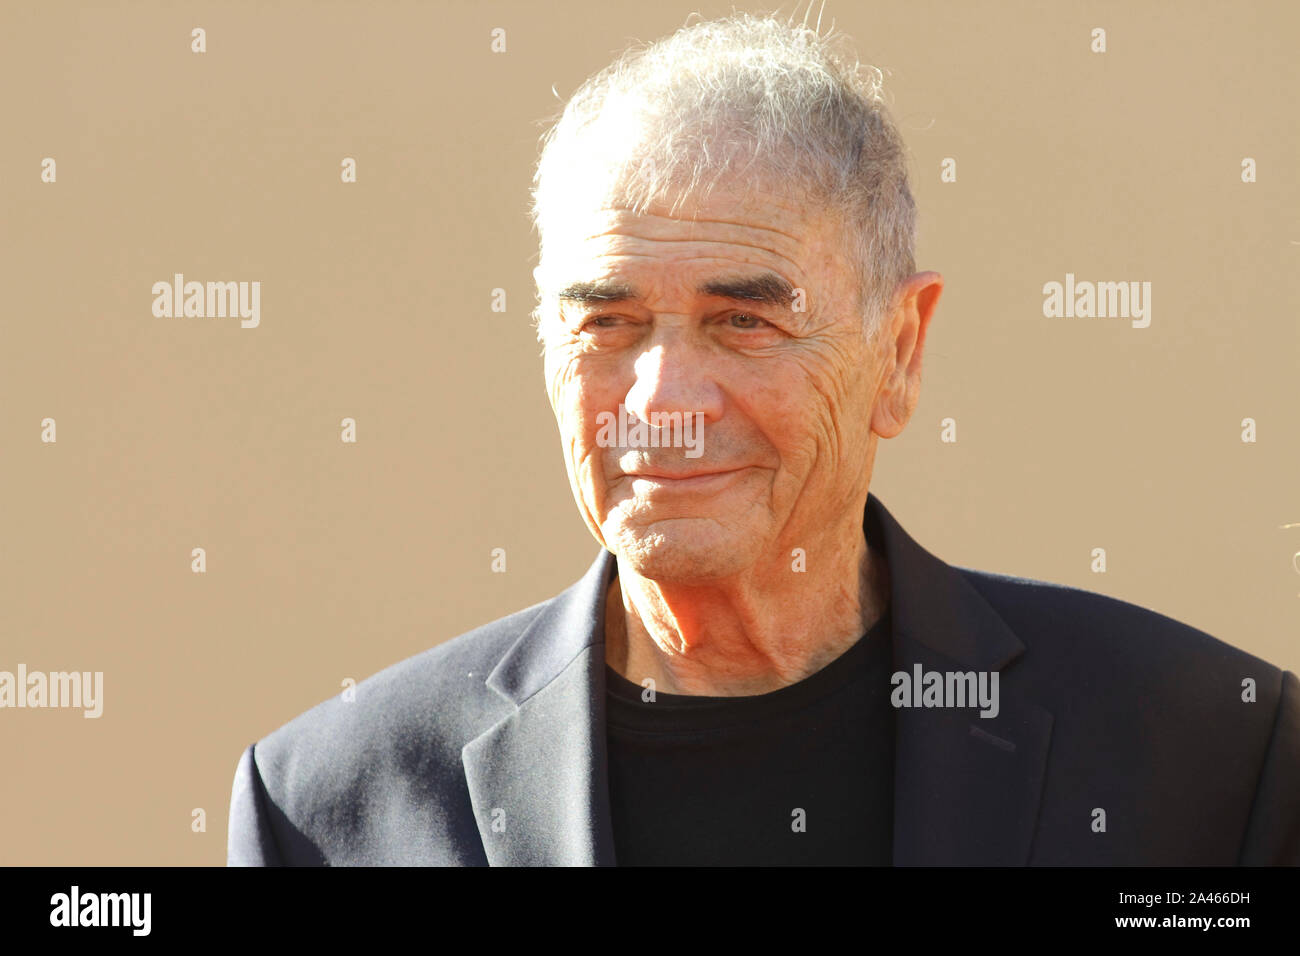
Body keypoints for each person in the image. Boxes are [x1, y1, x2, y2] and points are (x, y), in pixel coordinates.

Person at [227, 11, 1299, 866]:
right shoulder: (330, 808)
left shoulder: (1206, 754)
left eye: (744, 320)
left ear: (900, 352)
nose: (664, 398)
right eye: (606, 322)